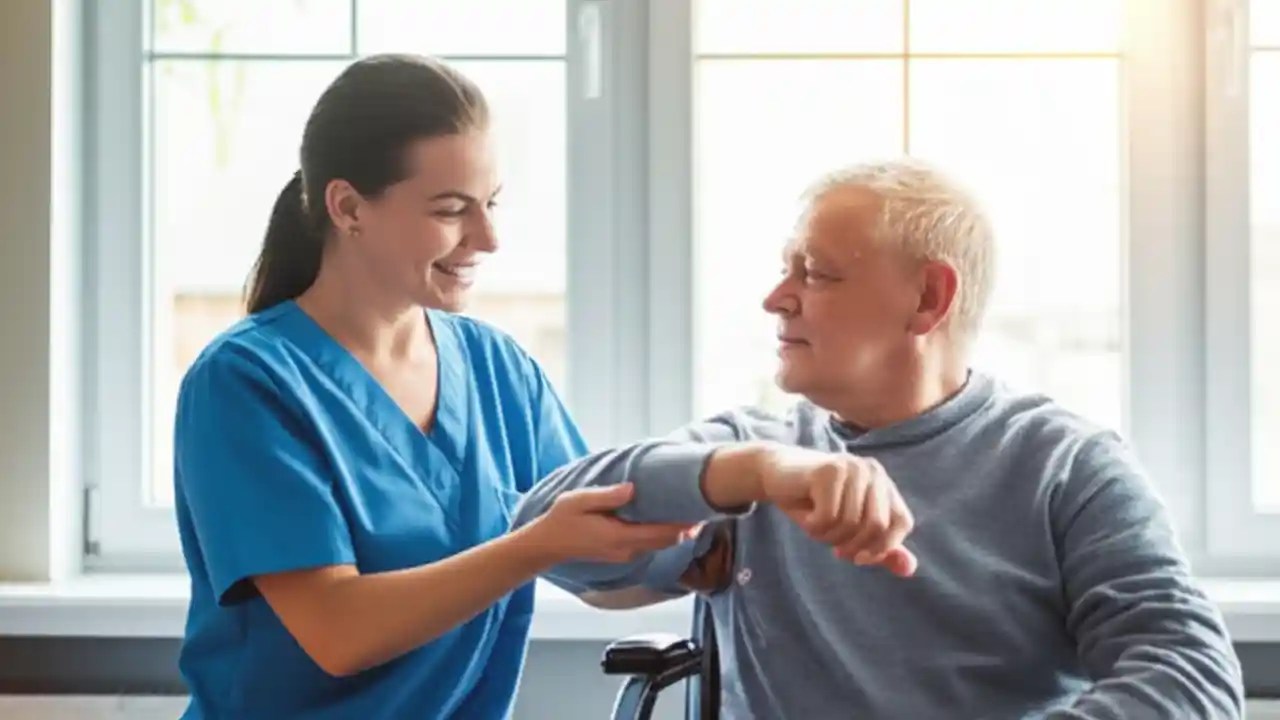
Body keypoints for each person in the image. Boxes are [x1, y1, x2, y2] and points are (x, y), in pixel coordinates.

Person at [514, 159, 1246, 718]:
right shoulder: (749, 454)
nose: (777, 299)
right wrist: (761, 474)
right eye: (784, 271)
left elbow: (1188, 673)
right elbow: (546, 534)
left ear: (929, 298)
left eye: (817, 274)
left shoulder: (1066, 465)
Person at [171, 54, 703, 720]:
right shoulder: (245, 383)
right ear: (348, 207)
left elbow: (604, 564)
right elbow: (339, 632)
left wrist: (727, 532)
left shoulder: (498, 369)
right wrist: (536, 544)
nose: (488, 238)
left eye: (492, 204)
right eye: (452, 210)